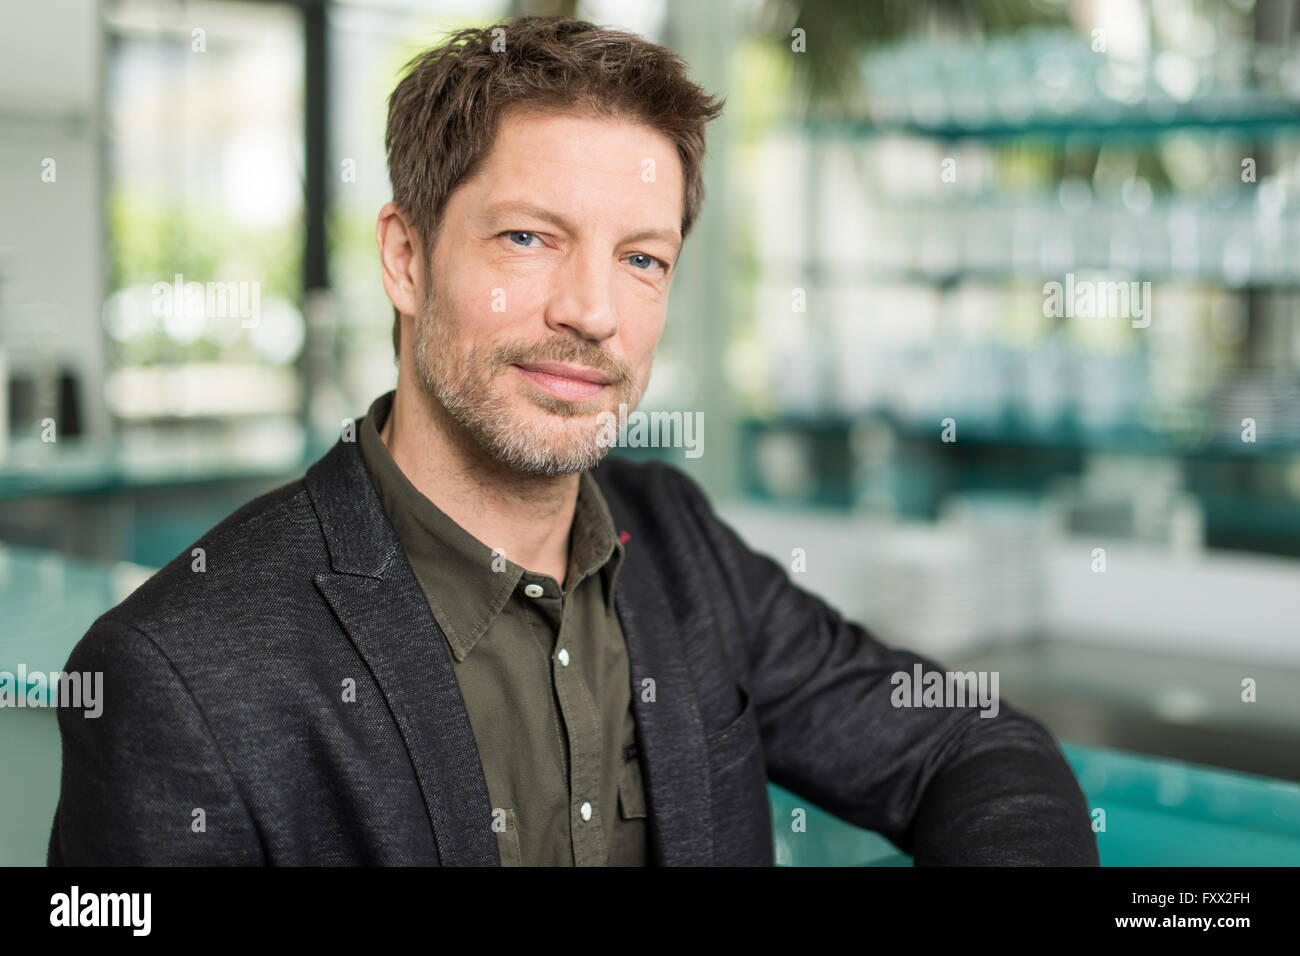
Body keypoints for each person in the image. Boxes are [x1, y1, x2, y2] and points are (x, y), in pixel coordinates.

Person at [48, 15, 1097, 866]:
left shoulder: (674, 541)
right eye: (528, 237)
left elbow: (968, 742)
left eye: (640, 259)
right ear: (405, 258)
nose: (592, 310)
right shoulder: (175, 672)